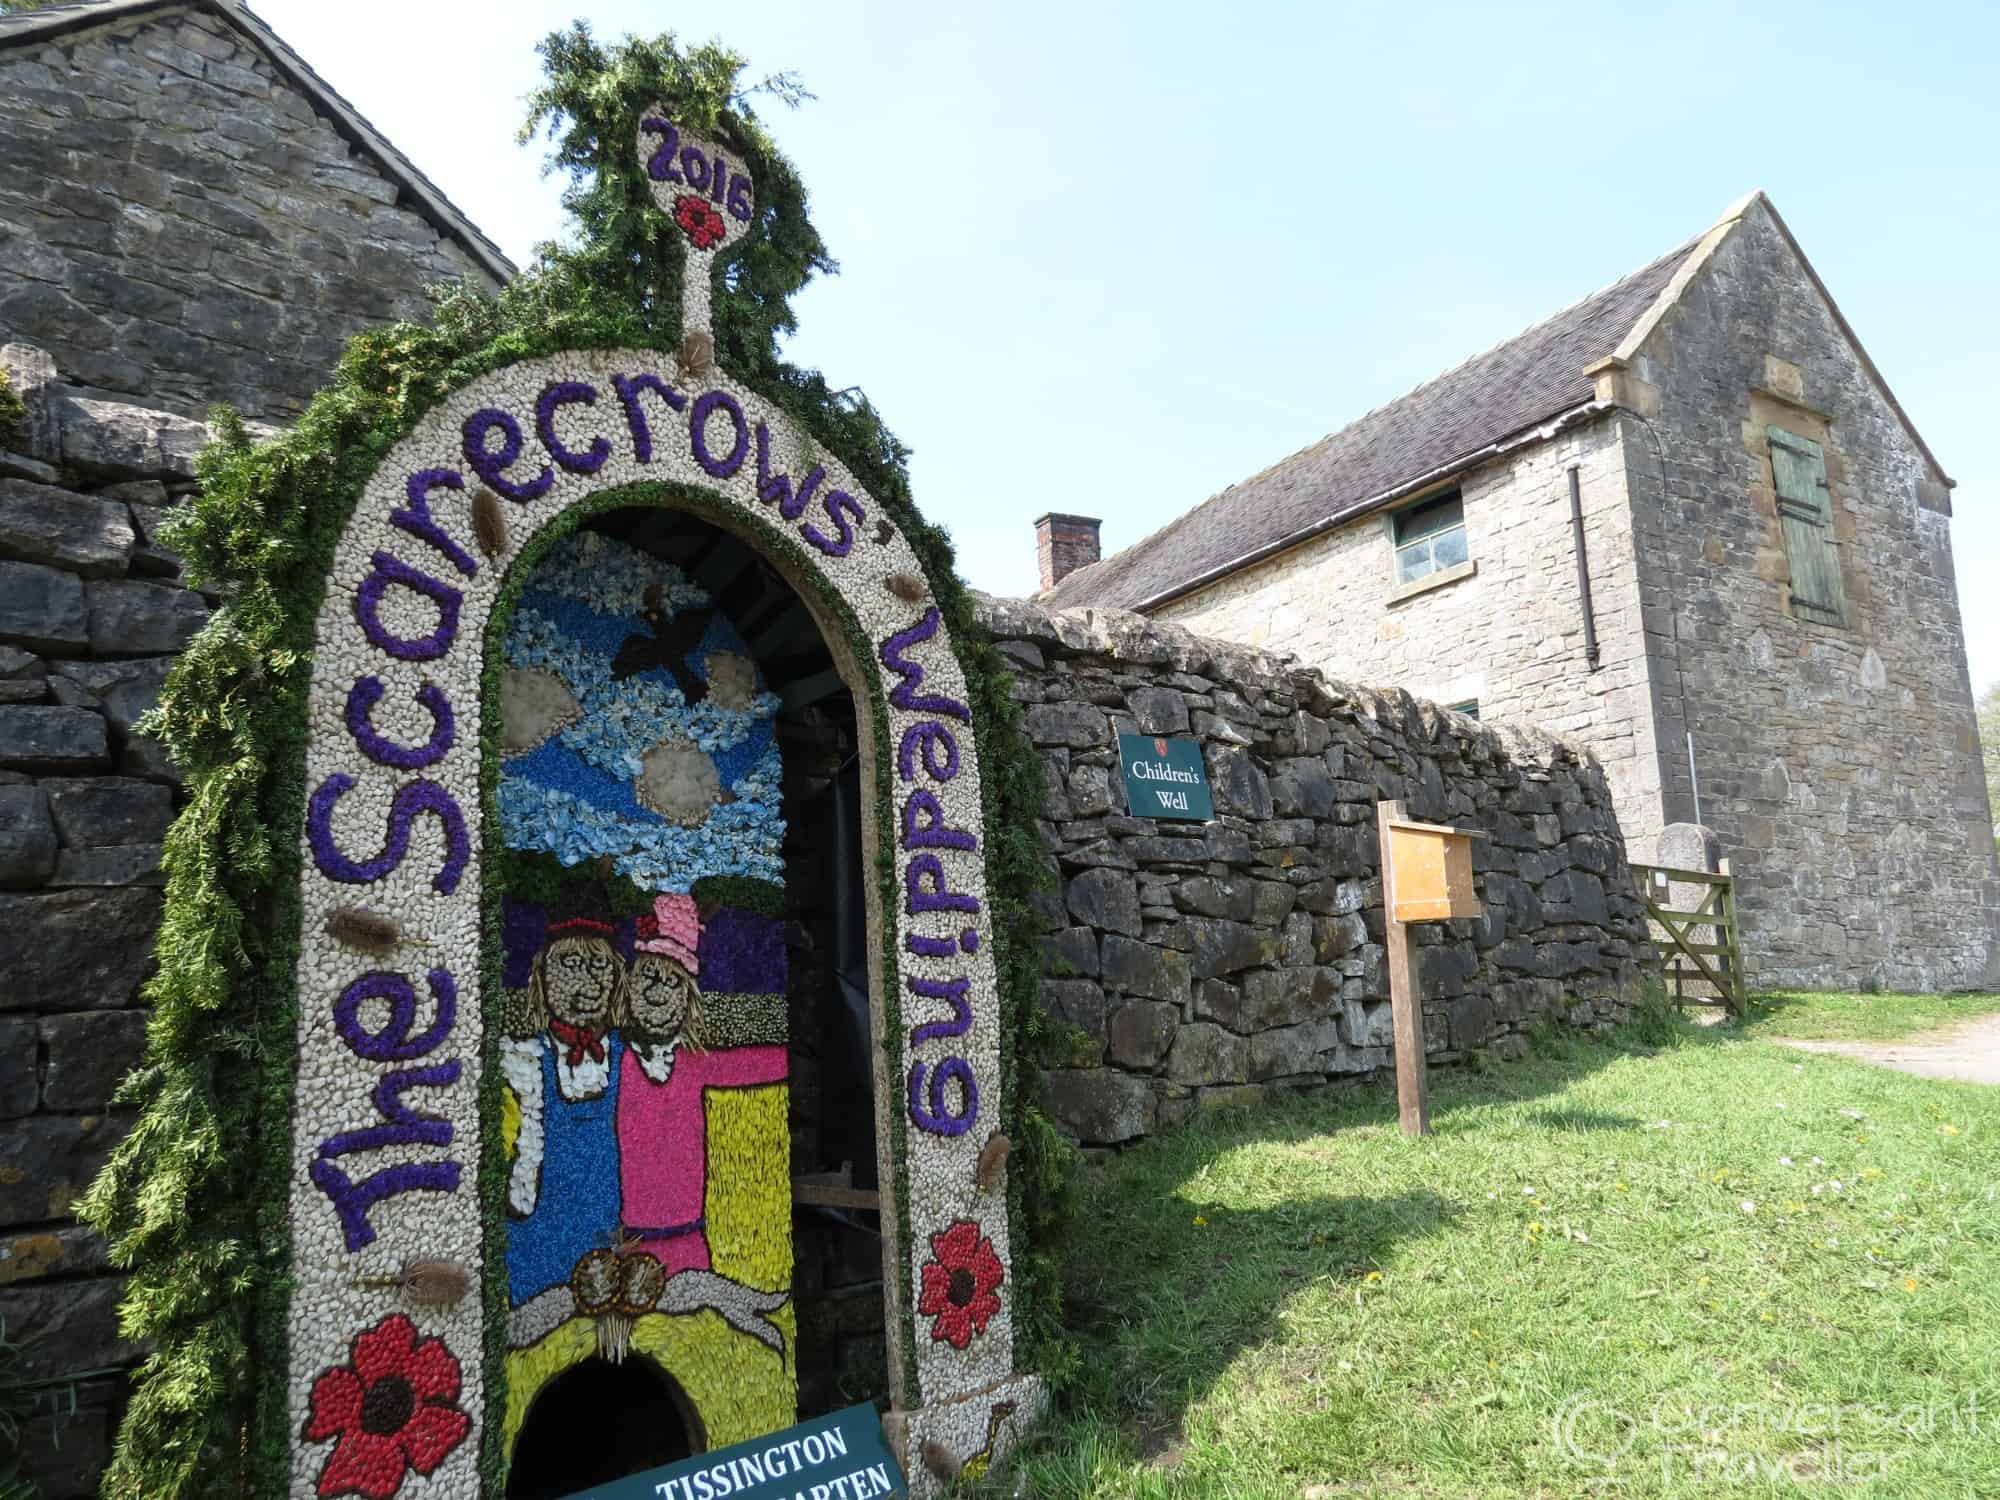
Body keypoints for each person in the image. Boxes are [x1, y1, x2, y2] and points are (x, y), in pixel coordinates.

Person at [617, 893, 787, 1274]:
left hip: (690, 1235)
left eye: (670, 982)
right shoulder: (615, 1059)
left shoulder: (694, 1062)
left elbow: (752, 1066)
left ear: (688, 998)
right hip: (630, 1238)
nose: (656, 991)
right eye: (647, 976)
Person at [503, 916, 628, 1306]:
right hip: (536, 1232)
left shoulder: (627, 1058)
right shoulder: (523, 1060)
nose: (587, 982)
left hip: (608, 1229)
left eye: (598, 966)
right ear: (542, 975)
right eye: (570, 966)